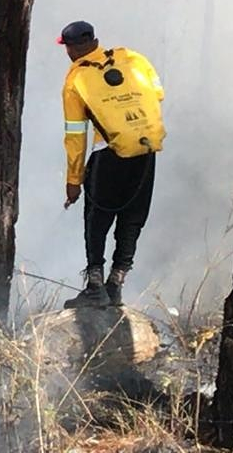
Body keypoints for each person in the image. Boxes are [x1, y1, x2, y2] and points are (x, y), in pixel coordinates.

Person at [58, 21, 165, 308]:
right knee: (132, 218)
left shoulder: (76, 80)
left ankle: (95, 286)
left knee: (97, 219)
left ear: (70, 48)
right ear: (95, 40)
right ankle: (116, 284)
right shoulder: (133, 58)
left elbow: (75, 135)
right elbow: (157, 94)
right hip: (145, 149)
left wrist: (74, 180)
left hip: (108, 155)